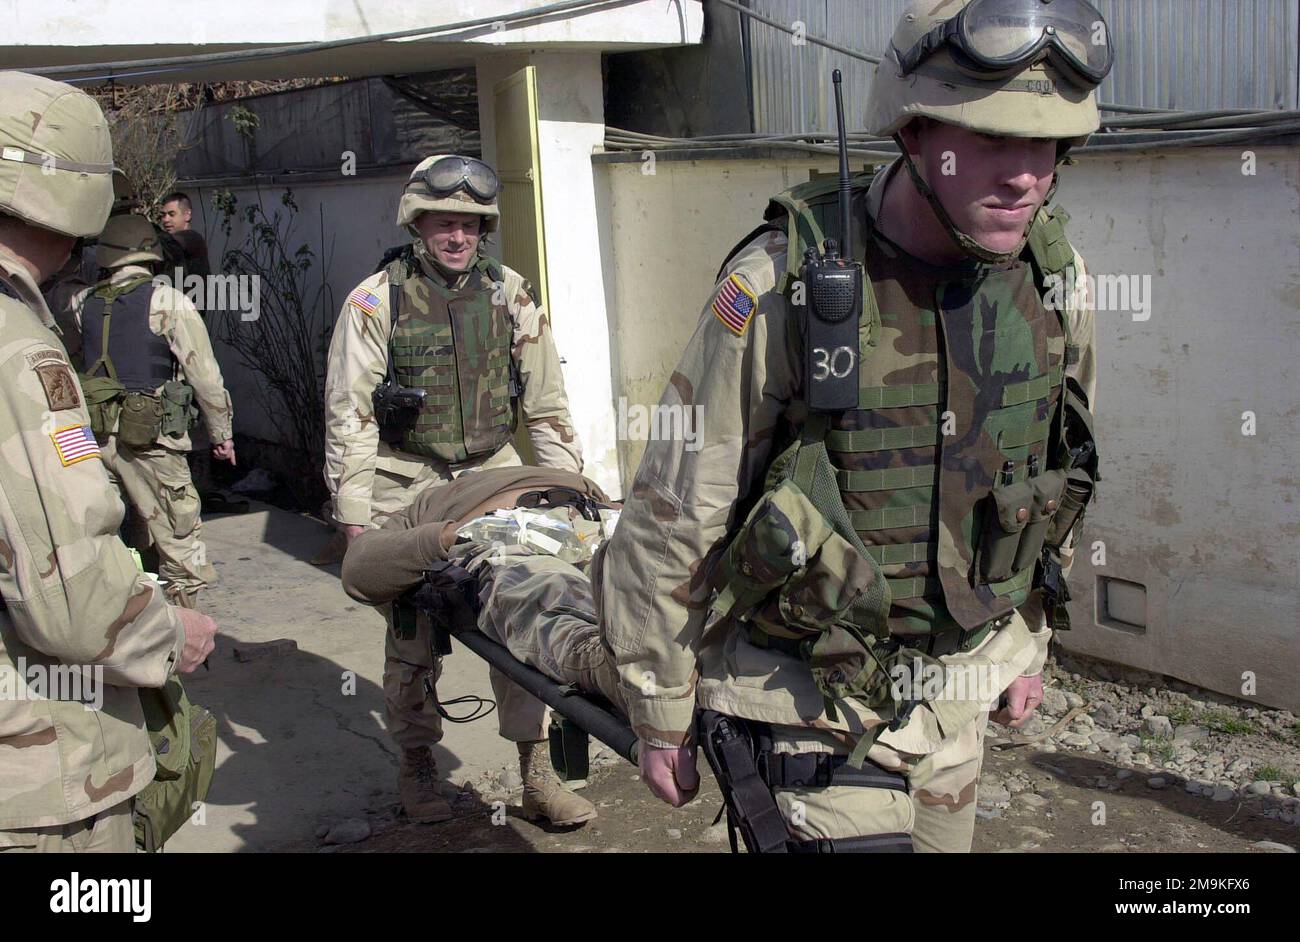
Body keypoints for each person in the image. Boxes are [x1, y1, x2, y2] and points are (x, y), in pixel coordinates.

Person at [595, 0, 1104, 852]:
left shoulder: (1055, 279)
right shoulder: (784, 282)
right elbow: (679, 505)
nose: (1028, 175)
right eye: (993, 142)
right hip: (807, 699)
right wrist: (660, 711)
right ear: (912, 134)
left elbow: (1057, 472)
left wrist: (1026, 647)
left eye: (1048, 146)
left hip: (960, 688)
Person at [323, 154, 587, 824]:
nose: (457, 236)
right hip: (401, 479)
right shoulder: (375, 298)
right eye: (444, 221)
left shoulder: (512, 294)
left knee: (519, 610)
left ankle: (536, 774)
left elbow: (547, 404)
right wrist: (355, 517)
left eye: (470, 224)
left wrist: (566, 488)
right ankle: (418, 766)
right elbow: (349, 412)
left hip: (488, 471)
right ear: (419, 222)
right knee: (413, 626)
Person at [0, 70, 217, 853]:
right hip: (37, 780)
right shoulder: (18, 346)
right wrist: (169, 635)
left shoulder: (72, 305)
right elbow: (70, 592)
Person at [70, 212, 236, 610]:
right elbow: (206, 377)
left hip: (96, 438)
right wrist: (222, 435)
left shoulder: (82, 303)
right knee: (180, 539)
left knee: (108, 539)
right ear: (151, 254)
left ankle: (123, 631)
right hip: (153, 443)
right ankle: (185, 634)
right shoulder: (168, 301)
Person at [158, 191, 210, 279]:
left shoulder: (193, 238)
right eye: (163, 215)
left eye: (172, 214)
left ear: (187, 215)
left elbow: (172, 243)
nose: (166, 219)